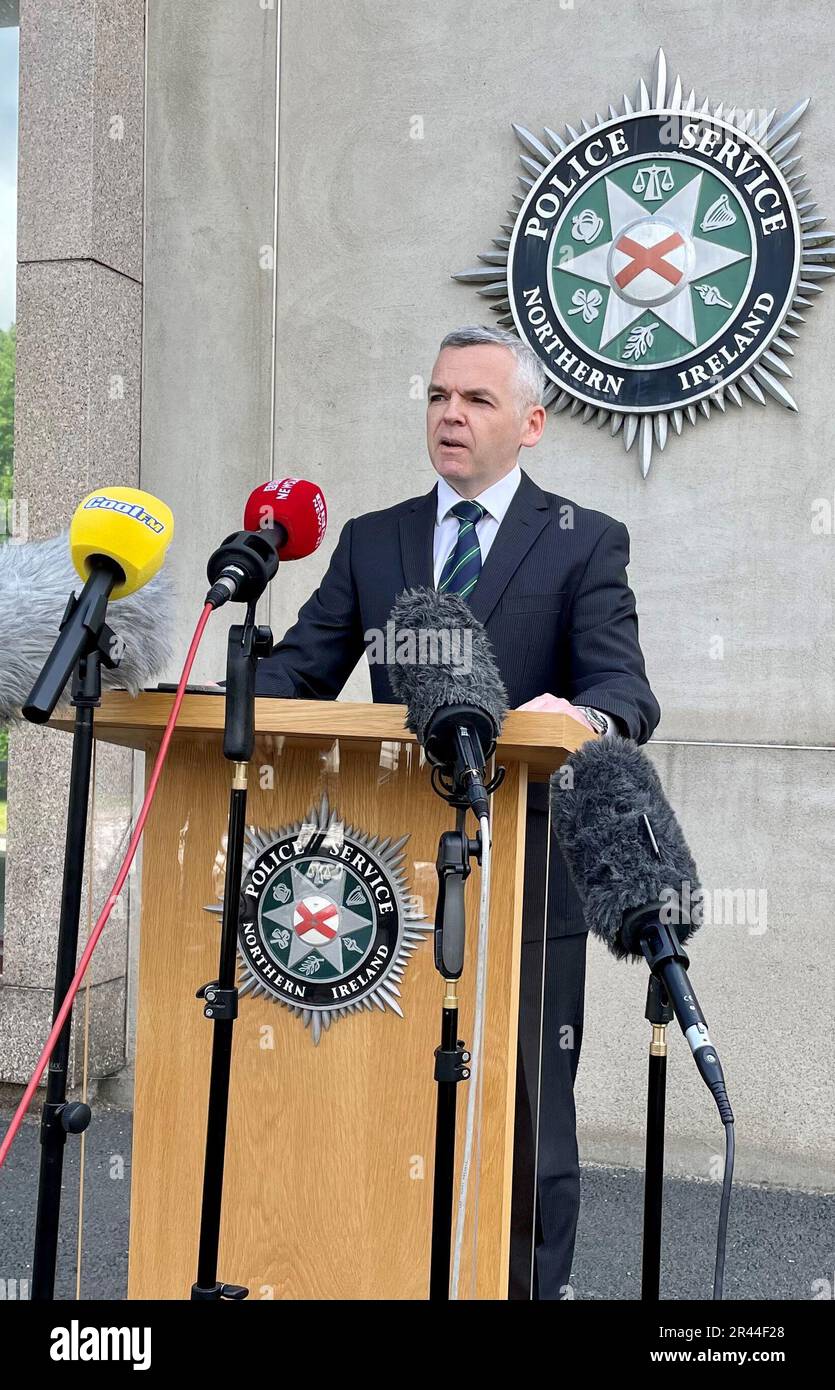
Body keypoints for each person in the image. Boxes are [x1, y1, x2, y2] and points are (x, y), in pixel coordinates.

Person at [254, 324, 660, 1297]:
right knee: (383, 1095)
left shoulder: (584, 540)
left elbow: (626, 691)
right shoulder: (373, 539)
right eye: (438, 395)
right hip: (382, 877)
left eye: (476, 399)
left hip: (529, 873)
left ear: (530, 424)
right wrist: (197, 691)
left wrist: (583, 717)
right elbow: (298, 676)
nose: (449, 413)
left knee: (527, 1119)